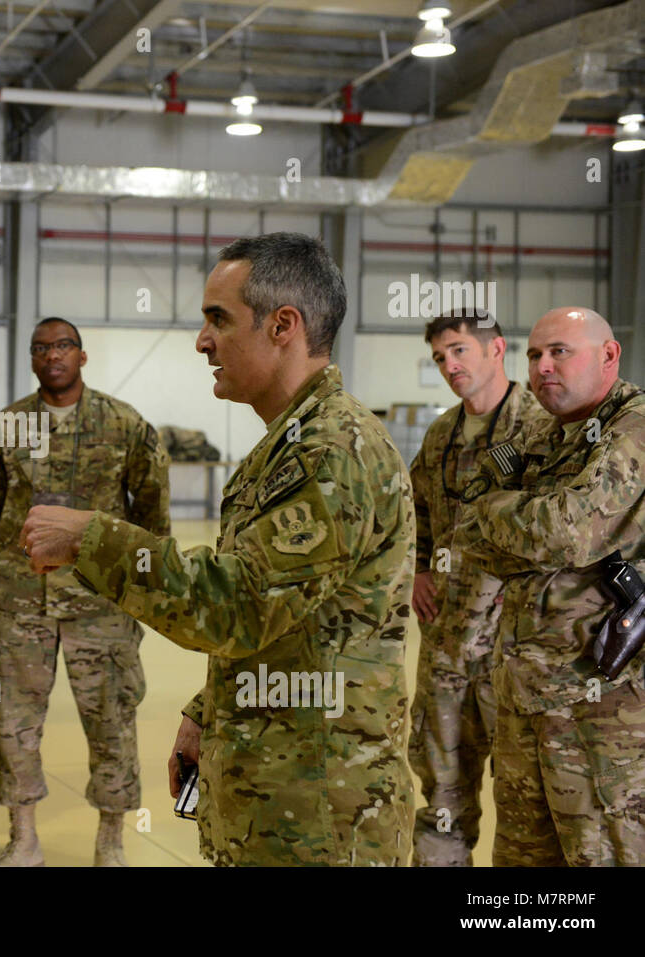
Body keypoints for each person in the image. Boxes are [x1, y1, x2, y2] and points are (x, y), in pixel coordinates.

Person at [21, 233, 416, 866]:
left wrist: (92, 538)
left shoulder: (331, 451)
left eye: (218, 319)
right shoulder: (286, 445)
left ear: (283, 325)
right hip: (278, 795)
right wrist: (207, 711)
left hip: (320, 816)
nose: (203, 341)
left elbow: (239, 604)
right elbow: (294, 619)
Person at [0, 317, 170, 867]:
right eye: (41, 348)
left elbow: (153, 512)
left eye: (63, 346)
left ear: (81, 355)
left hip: (100, 600)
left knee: (113, 721)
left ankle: (111, 840)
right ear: (31, 359)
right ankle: (23, 836)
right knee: (14, 722)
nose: (52, 355)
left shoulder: (124, 425)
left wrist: (145, 589)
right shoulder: (6, 427)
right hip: (18, 599)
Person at [457, 307, 645, 866]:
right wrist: (525, 525)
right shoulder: (540, 433)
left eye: (559, 351)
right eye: (534, 355)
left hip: (602, 713)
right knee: (523, 873)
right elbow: (469, 535)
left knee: (602, 862)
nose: (541, 367)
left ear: (608, 356)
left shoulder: (631, 430)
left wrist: (507, 516)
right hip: (523, 699)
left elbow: (567, 530)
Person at [405, 310, 546, 866]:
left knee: (523, 799)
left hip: (516, 654)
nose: (450, 365)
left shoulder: (539, 428)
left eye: (460, 350)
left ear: (496, 350)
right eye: (441, 357)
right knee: (441, 794)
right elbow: (415, 508)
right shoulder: (441, 434)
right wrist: (418, 567)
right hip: (445, 649)